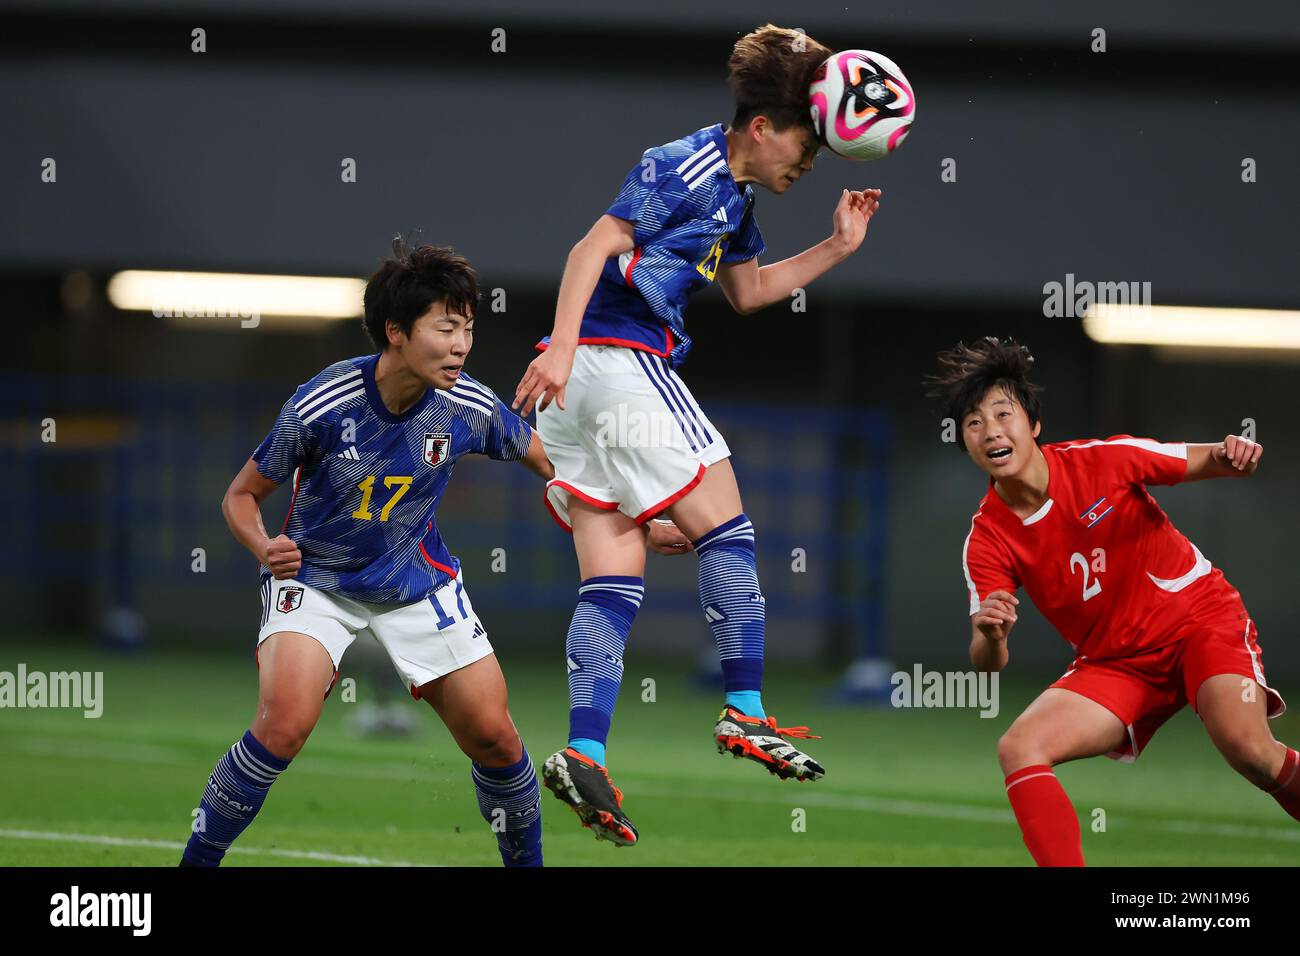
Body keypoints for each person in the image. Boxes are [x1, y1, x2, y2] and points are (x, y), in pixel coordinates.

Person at [512, 23, 883, 846]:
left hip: (585, 394)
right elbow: (592, 246)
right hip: (613, 360)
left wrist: (836, 246)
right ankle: (746, 710)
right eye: (803, 143)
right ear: (761, 126)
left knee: (614, 578)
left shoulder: (737, 198)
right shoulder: (684, 166)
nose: (808, 160)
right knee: (730, 525)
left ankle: (584, 749)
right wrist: (568, 349)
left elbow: (749, 293)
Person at [182, 240, 574, 867]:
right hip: (316, 582)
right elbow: (240, 495)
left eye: (468, 329)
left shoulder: (467, 405)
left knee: (496, 739)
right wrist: (264, 545)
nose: (461, 345)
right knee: (283, 723)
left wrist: (630, 519)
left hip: (418, 583)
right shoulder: (323, 403)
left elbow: (554, 468)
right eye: (445, 327)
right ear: (396, 331)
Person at [930, 337, 1298, 866]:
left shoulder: (1102, 460)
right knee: (1019, 747)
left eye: (1002, 414)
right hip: (1118, 664)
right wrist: (991, 634)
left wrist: (1233, 454)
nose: (990, 430)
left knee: (1251, 752)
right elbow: (988, 663)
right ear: (964, 443)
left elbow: (1209, 460)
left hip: (1198, 622)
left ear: (1032, 426)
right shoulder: (986, 539)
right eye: (972, 423)